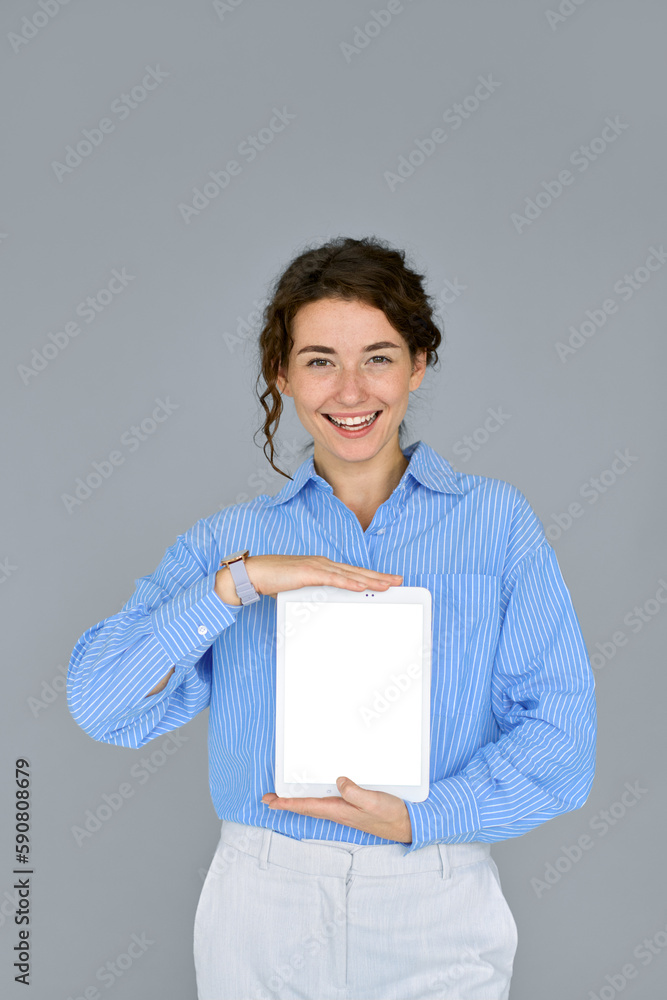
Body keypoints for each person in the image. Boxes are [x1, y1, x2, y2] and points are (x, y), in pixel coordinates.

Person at [67, 235, 597, 1000]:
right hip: (262, 902)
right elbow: (100, 703)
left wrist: (426, 817)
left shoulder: (498, 524)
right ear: (280, 375)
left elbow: (561, 740)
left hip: (435, 893)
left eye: (377, 357)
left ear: (418, 364)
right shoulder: (226, 543)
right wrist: (238, 584)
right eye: (319, 360)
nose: (350, 391)